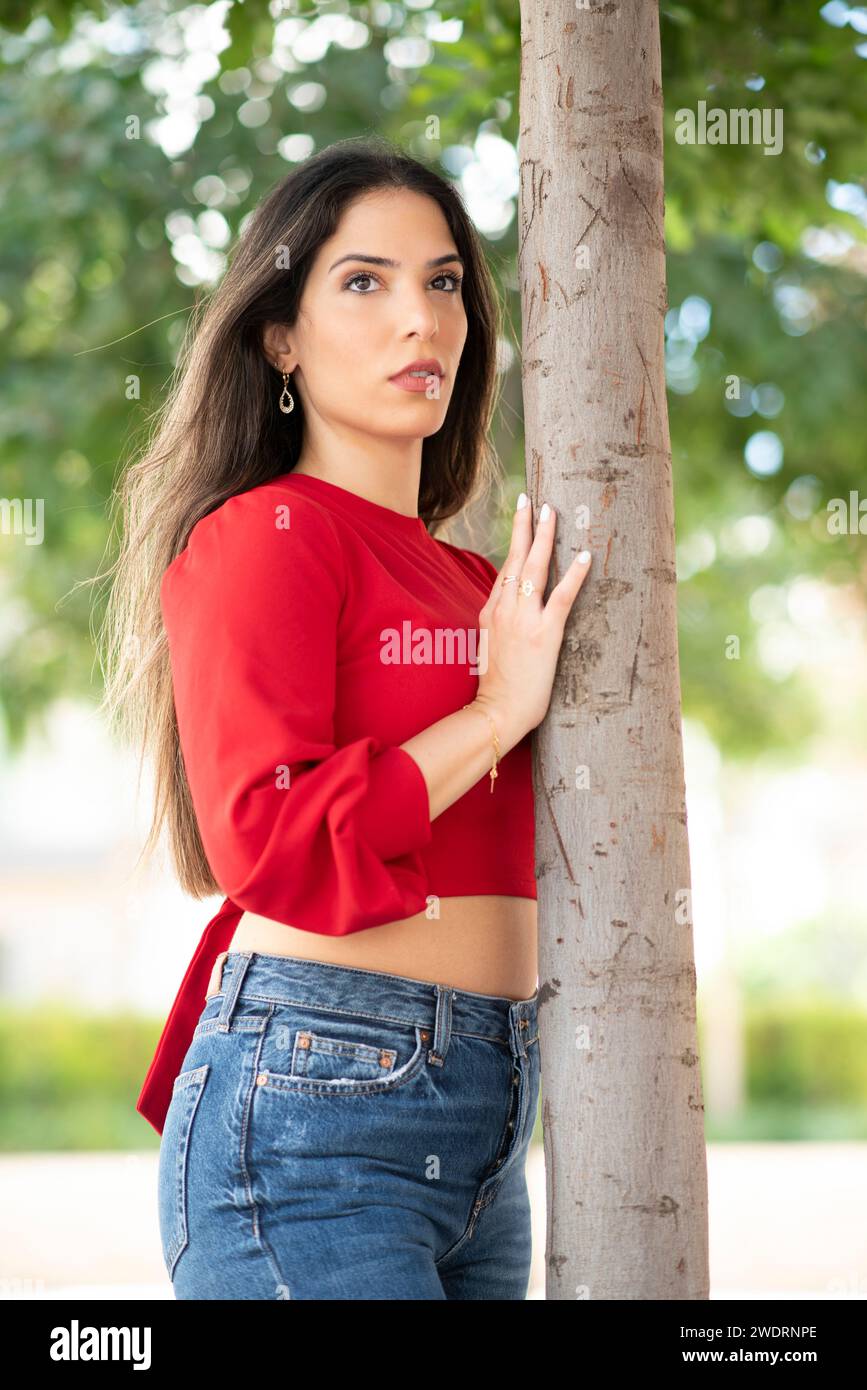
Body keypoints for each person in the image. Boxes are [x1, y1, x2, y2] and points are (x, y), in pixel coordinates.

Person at [98, 136, 591, 1300]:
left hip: (489, 1124)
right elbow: (265, 837)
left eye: (443, 281)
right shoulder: (264, 536)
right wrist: (497, 710)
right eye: (363, 281)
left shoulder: (482, 586)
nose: (418, 318)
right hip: (319, 1112)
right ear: (280, 334)